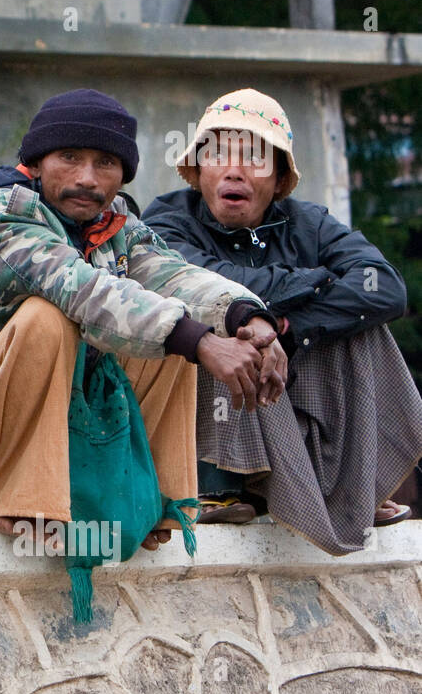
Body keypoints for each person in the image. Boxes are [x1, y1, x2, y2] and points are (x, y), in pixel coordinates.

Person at [0, 89, 287, 550]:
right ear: (35, 163)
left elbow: (174, 276)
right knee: (50, 318)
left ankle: (148, 503)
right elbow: (81, 290)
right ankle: (18, 501)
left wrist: (250, 317)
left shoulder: (116, 225)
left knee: (170, 322)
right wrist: (201, 342)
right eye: (69, 158)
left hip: (74, 453)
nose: (87, 178)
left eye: (106, 164)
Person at [143, 88, 421, 551]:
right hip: (212, 396)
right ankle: (218, 484)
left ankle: (353, 486)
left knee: (363, 326)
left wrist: (287, 328)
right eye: (218, 155)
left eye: (254, 158)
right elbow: (202, 280)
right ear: (198, 170)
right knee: (215, 318)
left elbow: (384, 287)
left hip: (293, 382)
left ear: (278, 179)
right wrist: (299, 289)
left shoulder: (309, 223)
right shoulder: (166, 220)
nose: (234, 170)